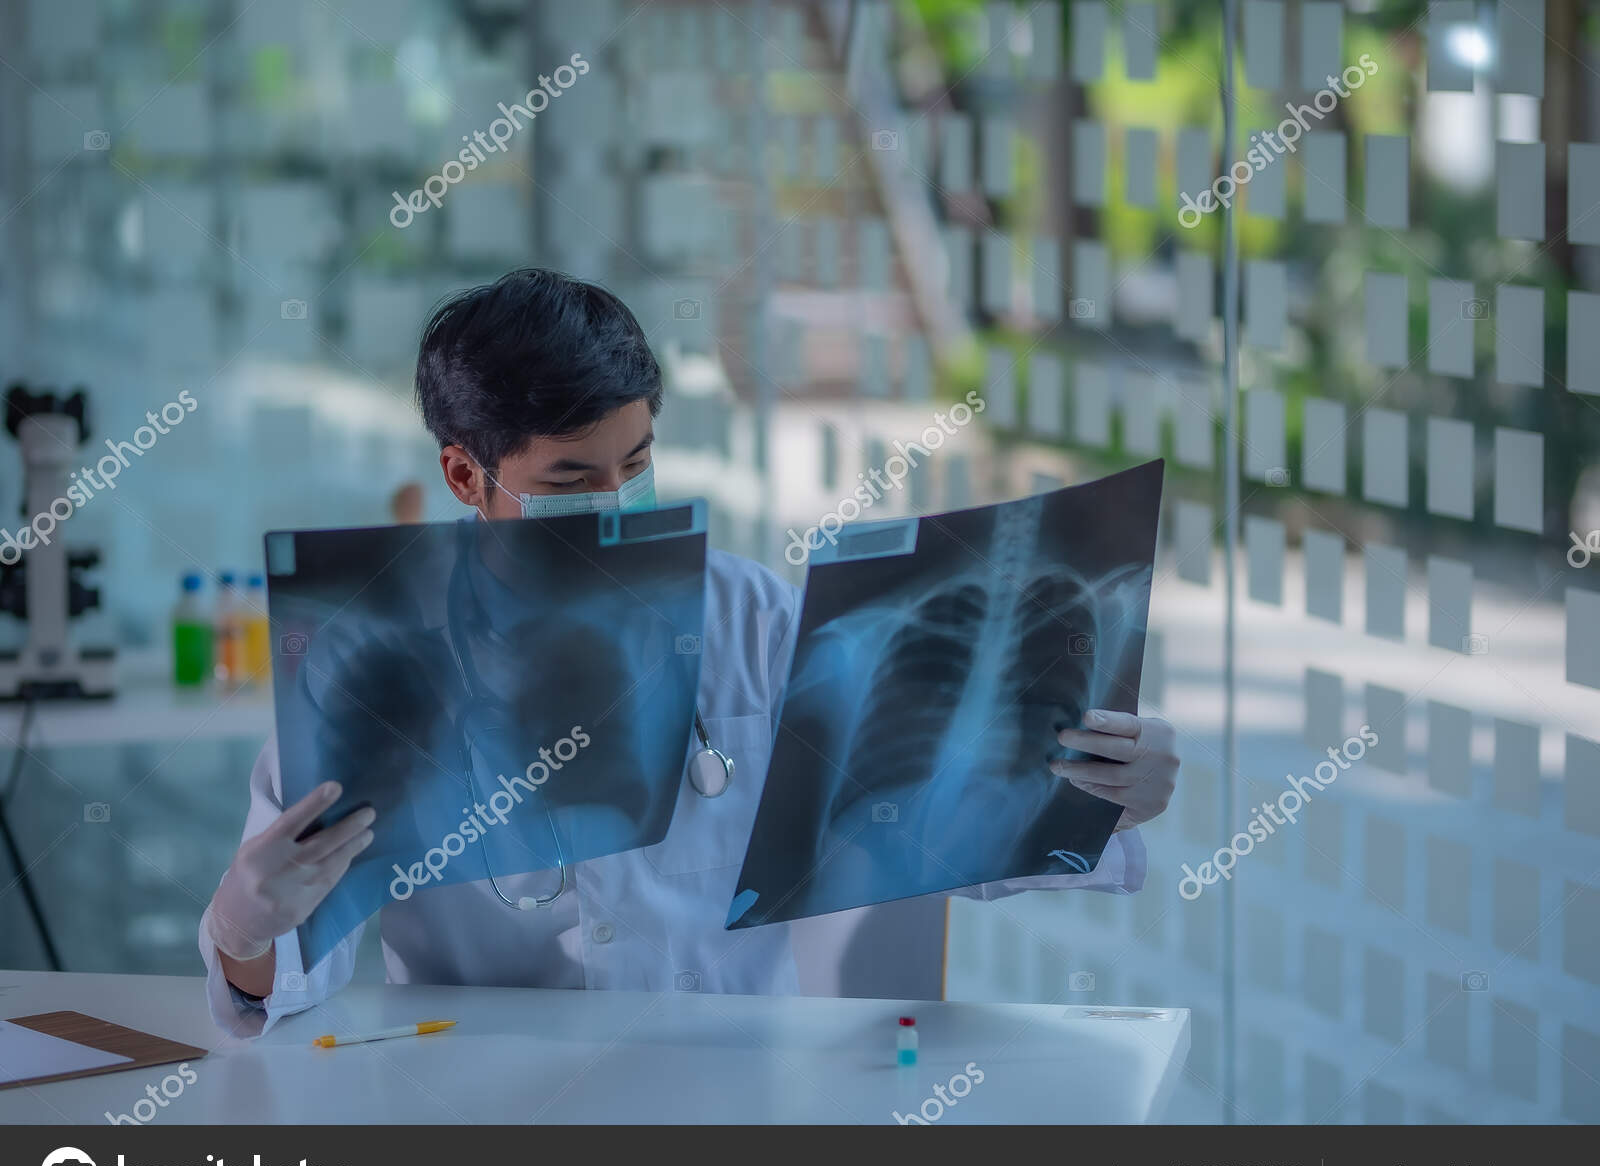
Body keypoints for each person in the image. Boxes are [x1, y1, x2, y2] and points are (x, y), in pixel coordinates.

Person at [199, 268, 1180, 1037]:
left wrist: (1093, 794)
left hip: (735, 1097)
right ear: (465, 474)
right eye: (572, 479)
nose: (617, 503)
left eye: (635, 464)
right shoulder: (370, 670)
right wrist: (246, 927)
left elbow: (935, 823)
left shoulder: (753, 621)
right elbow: (283, 979)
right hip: (488, 1107)